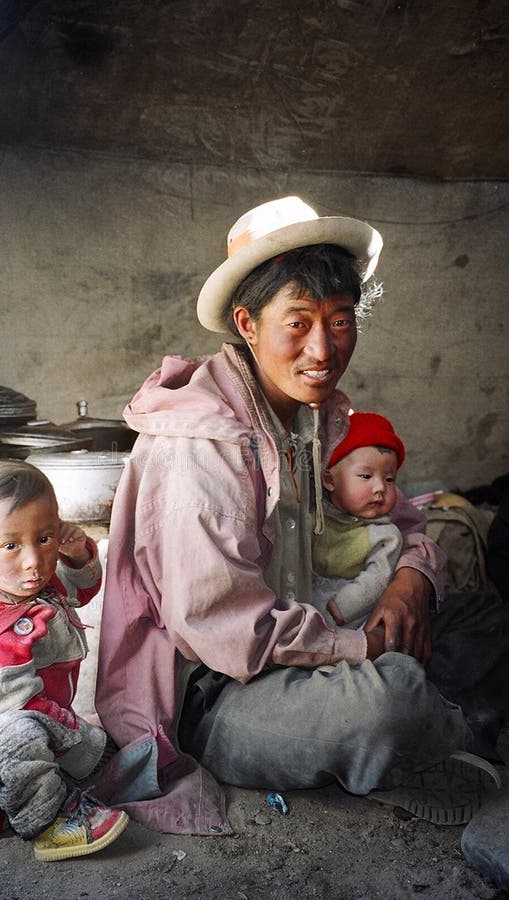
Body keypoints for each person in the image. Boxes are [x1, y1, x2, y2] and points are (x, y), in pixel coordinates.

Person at [92, 196, 507, 836]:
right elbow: (230, 635)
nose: (323, 346)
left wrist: (410, 580)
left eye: (341, 321)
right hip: (221, 692)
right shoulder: (202, 448)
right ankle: (433, 732)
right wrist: (358, 645)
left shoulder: (311, 417)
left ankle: (433, 724)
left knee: (483, 613)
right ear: (248, 324)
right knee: (385, 700)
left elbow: (397, 523)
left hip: (314, 620)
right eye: (299, 321)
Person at [0, 460, 129, 862]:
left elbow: (79, 591)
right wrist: (88, 744)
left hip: (12, 733)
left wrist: (76, 554)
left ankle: (2, 802)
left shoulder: (26, 585)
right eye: (11, 545)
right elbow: (23, 710)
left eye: (45, 536)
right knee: (30, 736)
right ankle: (49, 824)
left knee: (75, 748)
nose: (34, 559)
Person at [312, 410, 405, 629]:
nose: (380, 488)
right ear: (329, 480)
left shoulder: (385, 535)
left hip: (348, 615)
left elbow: (377, 579)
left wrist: (342, 609)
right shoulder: (311, 516)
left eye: (389, 479)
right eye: (366, 476)